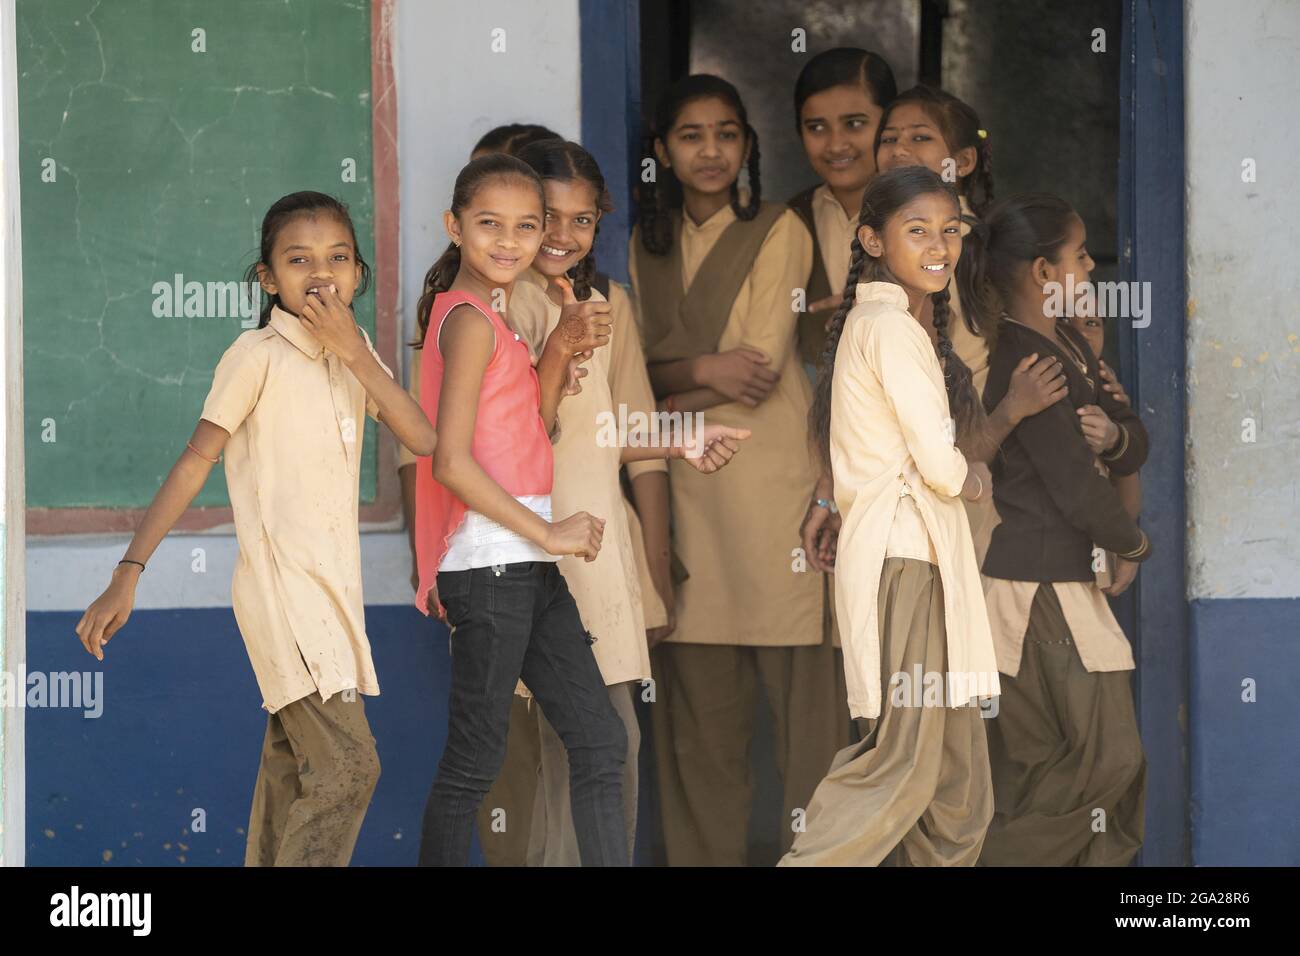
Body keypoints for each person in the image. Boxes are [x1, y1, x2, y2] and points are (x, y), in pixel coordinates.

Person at [76, 191, 437, 866]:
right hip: (284, 597)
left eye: (337, 258)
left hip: (333, 597)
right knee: (349, 769)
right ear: (268, 278)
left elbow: (422, 436)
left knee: (292, 772)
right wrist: (128, 574)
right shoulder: (257, 354)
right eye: (298, 260)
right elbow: (193, 463)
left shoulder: (354, 354)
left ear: (358, 274)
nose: (320, 273)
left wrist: (354, 355)